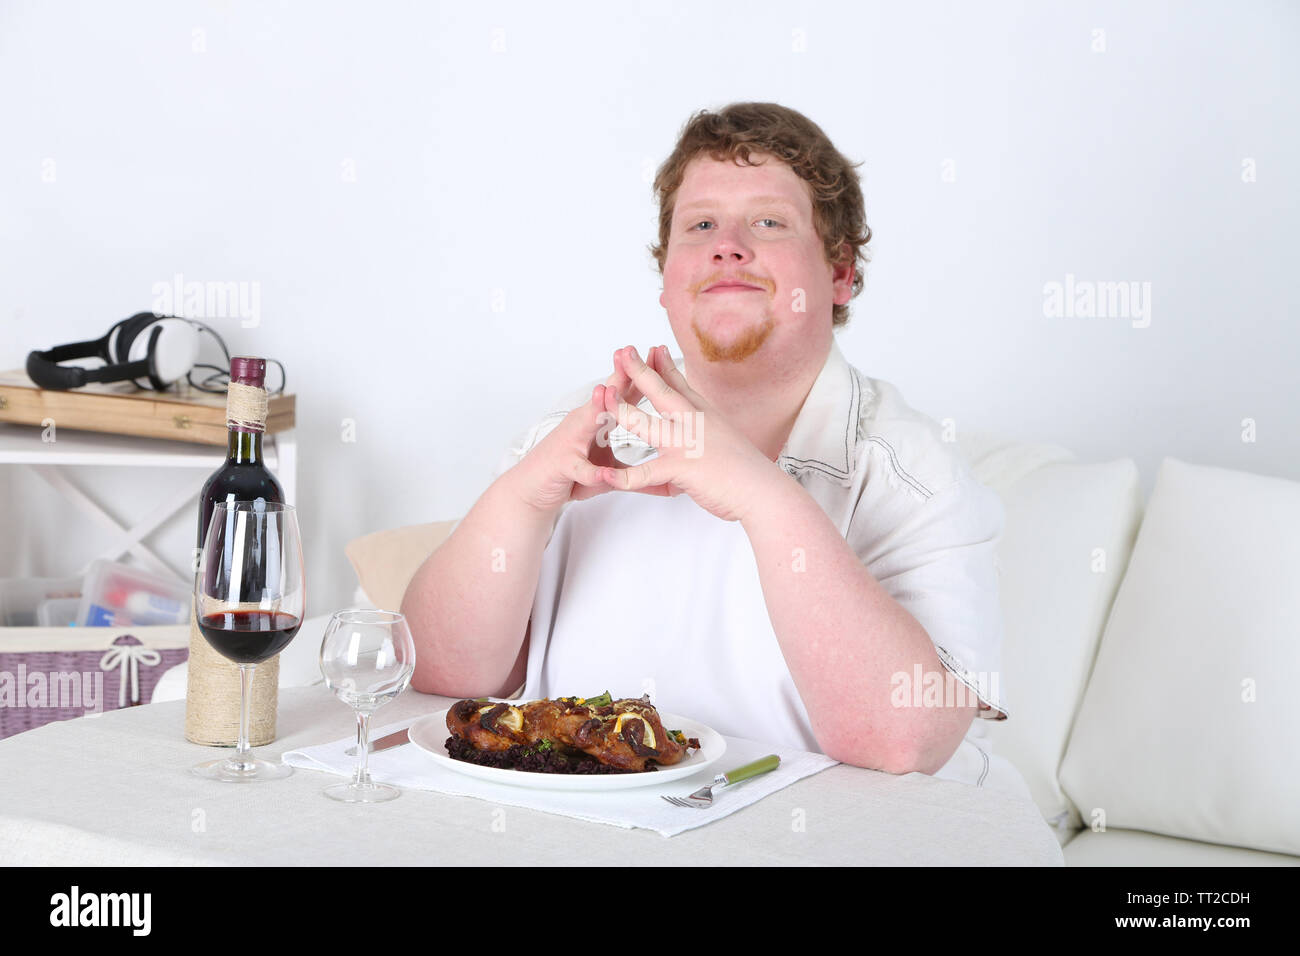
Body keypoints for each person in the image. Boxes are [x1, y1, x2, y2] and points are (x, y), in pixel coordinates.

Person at [403, 102, 1023, 791]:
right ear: (668, 276)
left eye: (768, 222)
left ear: (840, 271)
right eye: (700, 225)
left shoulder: (913, 474)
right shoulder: (574, 433)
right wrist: (521, 498)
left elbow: (904, 742)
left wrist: (759, 494)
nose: (728, 245)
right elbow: (436, 674)